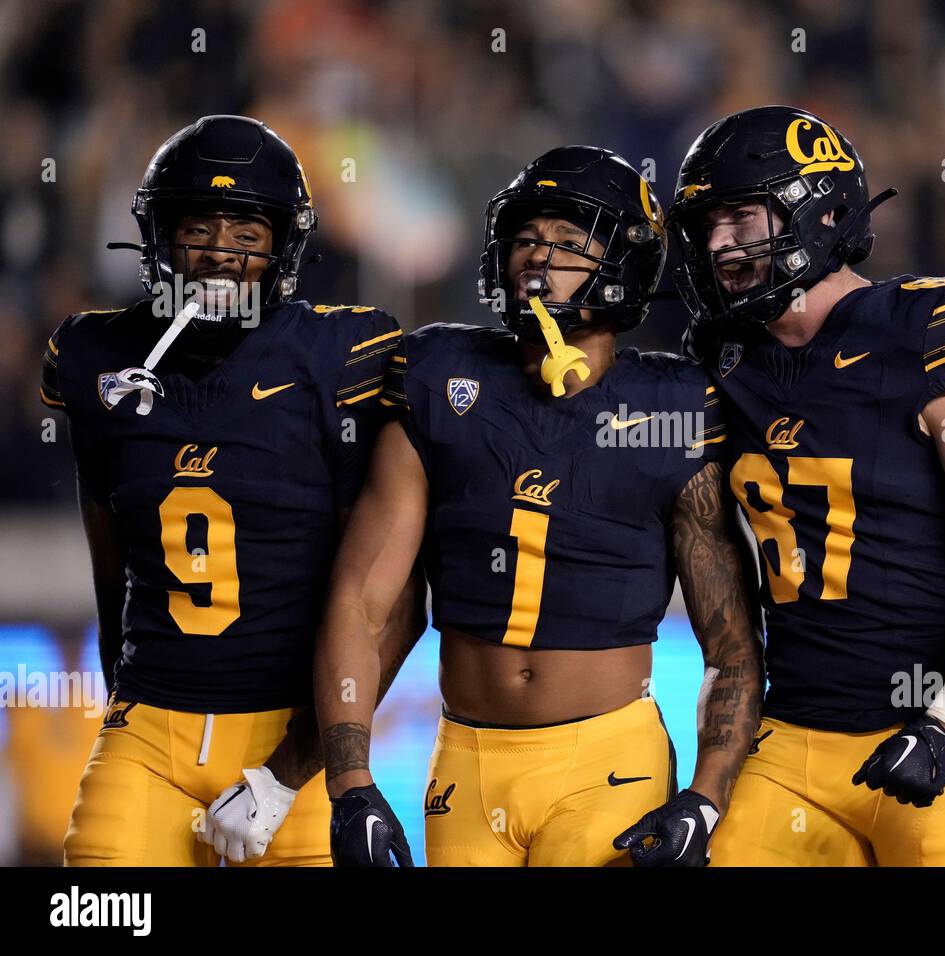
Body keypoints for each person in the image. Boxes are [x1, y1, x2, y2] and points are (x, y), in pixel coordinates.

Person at [315, 146, 764, 867]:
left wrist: (707, 797)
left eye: (569, 244)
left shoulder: (673, 404)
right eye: (527, 239)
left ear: (625, 265)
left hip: (610, 761)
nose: (538, 259)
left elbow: (732, 645)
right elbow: (361, 602)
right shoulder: (441, 375)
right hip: (465, 756)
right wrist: (351, 781)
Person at [671, 105, 945, 866]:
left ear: (824, 208)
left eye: (742, 217)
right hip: (792, 739)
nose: (719, 244)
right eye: (708, 224)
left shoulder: (933, 327)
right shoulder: (724, 359)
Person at [41, 115, 422, 866]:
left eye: (247, 233)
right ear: (158, 237)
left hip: (295, 738)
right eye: (199, 228)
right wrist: (128, 695)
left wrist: (286, 776)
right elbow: (109, 566)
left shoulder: (340, 357)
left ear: (283, 248)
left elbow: (391, 606)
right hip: (149, 734)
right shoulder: (94, 358)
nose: (220, 252)